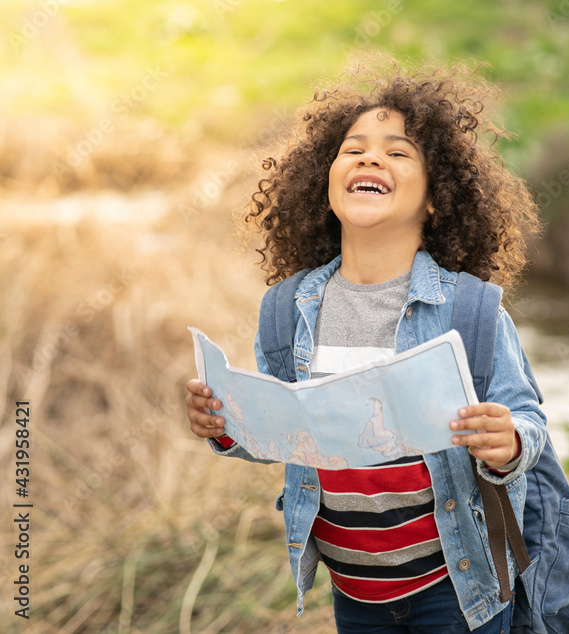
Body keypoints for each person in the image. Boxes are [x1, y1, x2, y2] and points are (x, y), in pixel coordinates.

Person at [185, 56, 545, 633]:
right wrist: (224, 424)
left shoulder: (469, 309)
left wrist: (506, 443)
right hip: (354, 591)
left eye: (398, 152)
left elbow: (527, 420)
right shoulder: (289, 309)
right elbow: (284, 433)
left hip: (458, 588)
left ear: (435, 199)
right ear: (322, 182)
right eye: (352, 149)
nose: (370, 157)